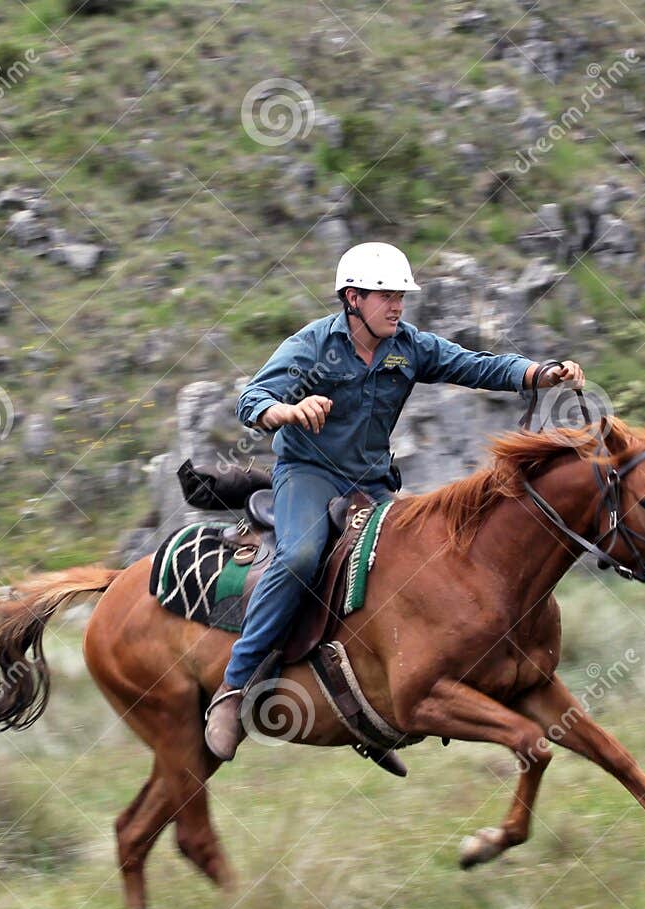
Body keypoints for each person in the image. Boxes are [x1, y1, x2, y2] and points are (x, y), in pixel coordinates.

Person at [204, 241, 585, 760]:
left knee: (423, 563)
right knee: (298, 557)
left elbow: (473, 366)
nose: (398, 305)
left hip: (373, 483)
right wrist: (289, 412)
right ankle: (233, 688)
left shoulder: (409, 345)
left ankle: (371, 696)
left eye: (400, 296)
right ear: (352, 298)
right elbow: (253, 401)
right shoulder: (312, 344)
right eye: (386, 295)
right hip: (309, 474)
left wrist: (537, 373)